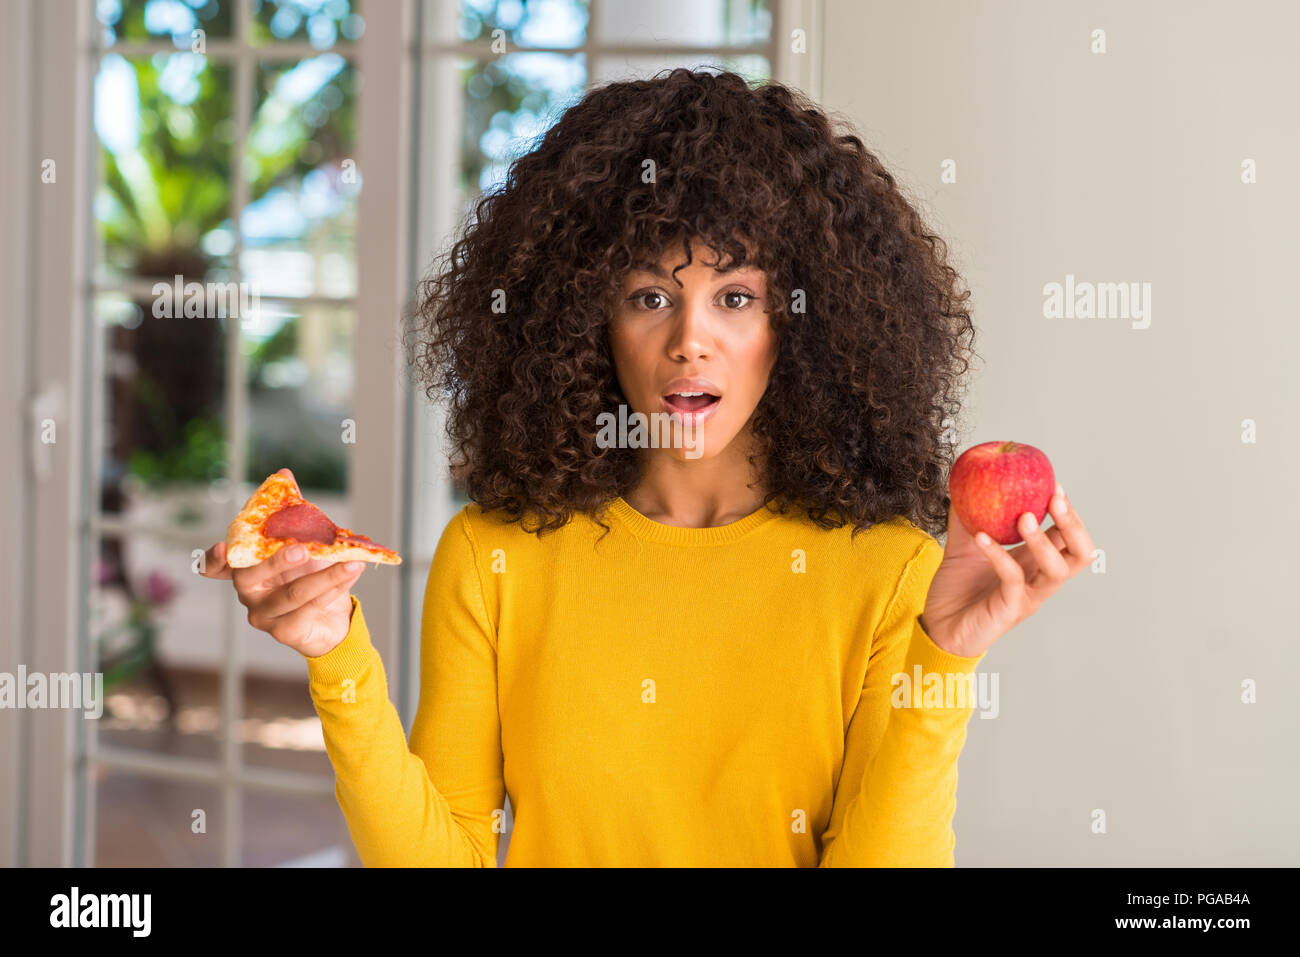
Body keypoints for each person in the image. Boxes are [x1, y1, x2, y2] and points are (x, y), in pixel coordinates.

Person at [202, 68, 1094, 866]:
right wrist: (337, 658)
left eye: (735, 298)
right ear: (586, 319)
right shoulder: (495, 555)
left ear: (799, 324)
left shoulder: (895, 569)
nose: (689, 340)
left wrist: (944, 660)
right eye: (650, 296)